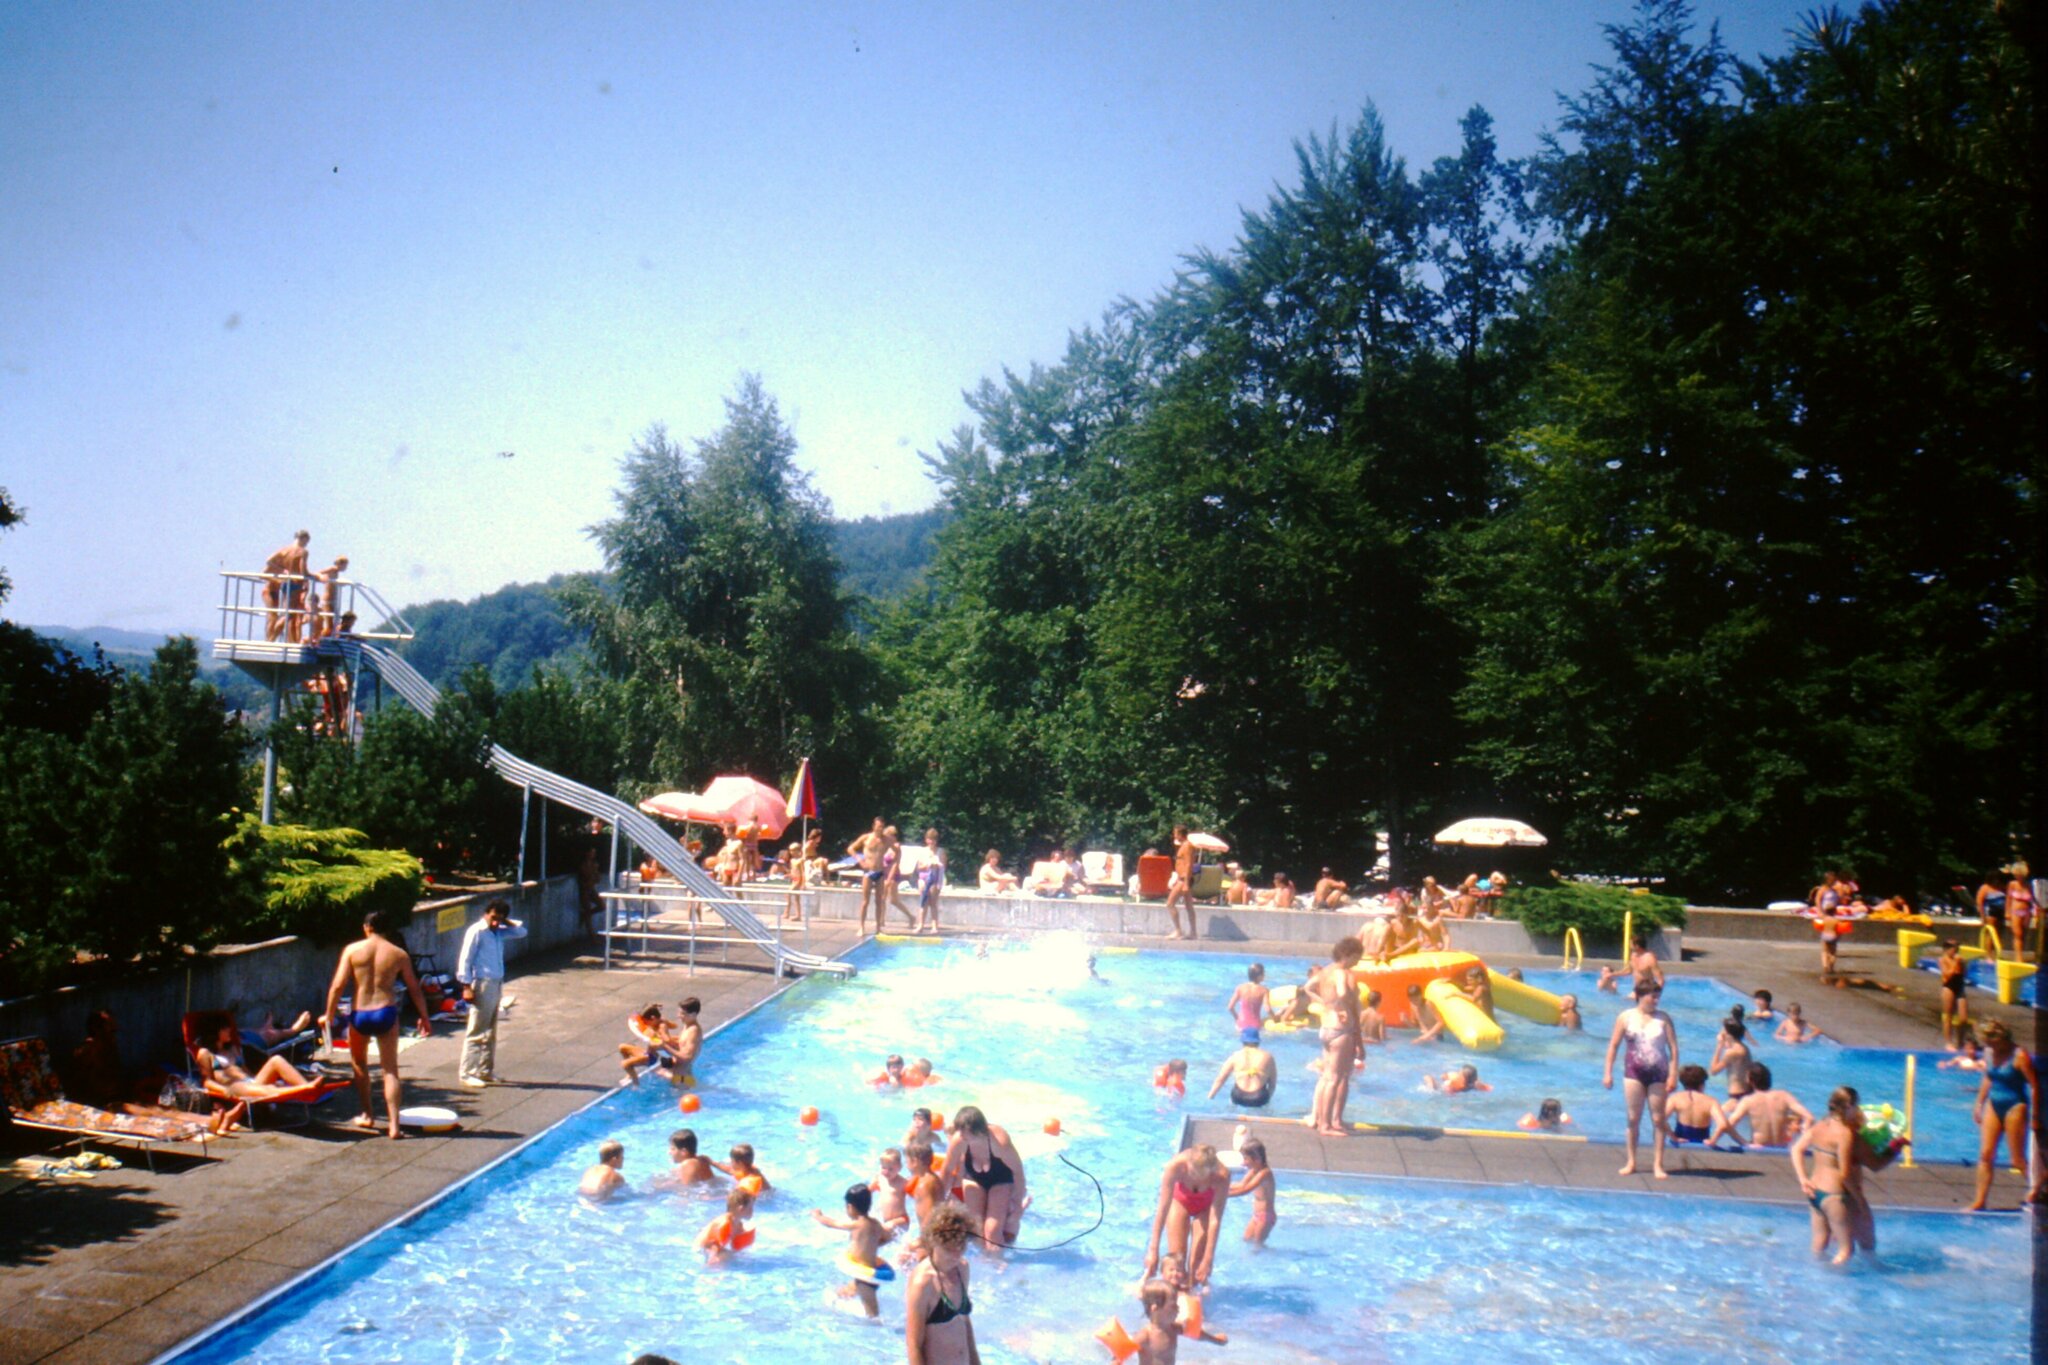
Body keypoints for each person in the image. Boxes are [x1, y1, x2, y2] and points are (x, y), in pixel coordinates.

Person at [320, 909, 433, 1139]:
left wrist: (329, 1015)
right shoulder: (398, 953)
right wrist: (425, 1016)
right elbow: (414, 988)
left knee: (360, 1065)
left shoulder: (352, 950)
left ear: (366, 927)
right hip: (385, 1011)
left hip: (360, 1013)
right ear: (387, 930)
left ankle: (368, 1115)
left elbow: (337, 985)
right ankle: (394, 1126)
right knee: (390, 1069)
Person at [1791, 1085, 1903, 1264]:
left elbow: (1796, 1149)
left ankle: (1814, 1280)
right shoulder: (1844, 1134)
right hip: (1834, 1196)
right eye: (1856, 1106)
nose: (1858, 1110)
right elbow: (1844, 1174)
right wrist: (1861, 1202)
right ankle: (1833, 1286)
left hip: (1814, 1192)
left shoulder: (1820, 1125)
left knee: (1819, 1245)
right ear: (1849, 1106)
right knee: (1846, 1251)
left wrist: (1803, 1179)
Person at [1602, 979, 1678, 1179]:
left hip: (1658, 1073)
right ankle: (1631, 1161)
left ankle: (1658, 1164)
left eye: (1658, 997)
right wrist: (1608, 1072)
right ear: (1640, 996)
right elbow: (1614, 1045)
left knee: (1658, 1119)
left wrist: (1673, 1074)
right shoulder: (1625, 1017)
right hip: (1633, 1073)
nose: (1656, 1001)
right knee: (1633, 1118)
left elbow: (1673, 1048)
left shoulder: (1663, 1019)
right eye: (1653, 997)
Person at [1965, 1020, 2039, 1211]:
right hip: (1994, 1103)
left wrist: (2036, 1115)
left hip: (2015, 1105)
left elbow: (2035, 1085)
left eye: (1991, 1042)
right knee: (1986, 1154)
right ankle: (1980, 1200)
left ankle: (2039, 1189)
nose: (1988, 1047)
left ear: (2001, 1039)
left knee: (2017, 1160)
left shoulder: (2019, 1055)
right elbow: (1988, 1077)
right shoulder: (1990, 1053)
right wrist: (1979, 1103)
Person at [455, 898, 526, 1090]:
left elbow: (521, 931)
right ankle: (467, 1072)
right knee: (477, 1030)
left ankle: (485, 1070)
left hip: (496, 983)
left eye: (500, 919)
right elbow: (465, 959)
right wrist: (466, 986)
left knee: (490, 1031)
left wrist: (504, 922)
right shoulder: (476, 931)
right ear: (486, 913)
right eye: (493, 917)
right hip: (482, 983)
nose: (495, 922)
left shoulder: (498, 932)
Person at [935, 1106, 1027, 1248]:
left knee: (992, 1230)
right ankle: (984, 1262)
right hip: (974, 1179)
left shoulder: (998, 1141)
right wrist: (938, 1201)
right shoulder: (959, 1140)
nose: (960, 1135)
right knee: (976, 1228)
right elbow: (947, 1171)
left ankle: (997, 1263)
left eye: (964, 1132)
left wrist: (1017, 1201)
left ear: (977, 1130)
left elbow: (1018, 1172)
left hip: (1001, 1179)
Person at [1143, 1145, 1231, 1289]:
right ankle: (1174, 1302)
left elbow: (1215, 1220)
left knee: (1196, 1268)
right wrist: (1153, 1250)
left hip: (1205, 1207)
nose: (1196, 1179)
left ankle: (1192, 1299)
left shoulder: (1221, 1176)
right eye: (1193, 1174)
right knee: (1177, 1264)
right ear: (1188, 1165)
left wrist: (1208, 1259)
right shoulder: (1175, 1166)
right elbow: (1162, 1209)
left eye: (1201, 1177)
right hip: (1180, 1202)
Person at [903, 1200, 979, 1365]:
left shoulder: (962, 1269)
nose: (956, 1255)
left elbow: (964, 1322)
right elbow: (913, 1345)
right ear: (934, 1242)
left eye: (961, 1247)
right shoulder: (922, 1284)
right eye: (949, 1249)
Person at [1306, 937, 1365, 1137]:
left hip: (1326, 1027)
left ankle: (1323, 1120)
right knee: (1336, 1077)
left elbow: (1307, 988)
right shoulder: (1340, 972)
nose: (1358, 962)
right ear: (1348, 955)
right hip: (1340, 1029)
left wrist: (1326, 1004)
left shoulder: (1325, 971)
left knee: (1327, 1077)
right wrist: (1344, 1007)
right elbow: (1342, 992)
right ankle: (1326, 1125)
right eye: (1357, 958)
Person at [815, 1182, 896, 1318]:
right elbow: (888, 1237)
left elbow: (832, 1224)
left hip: (865, 1279)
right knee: (842, 1294)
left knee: (873, 1316)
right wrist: (873, 1245)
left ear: (850, 1207)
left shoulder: (856, 1225)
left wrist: (818, 1216)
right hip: (865, 1273)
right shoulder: (875, 1224)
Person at [1708, 1064, 1811, 1147]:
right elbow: (1809, 1117)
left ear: (1750, 1081)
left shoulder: (1748, 1101)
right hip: (1782, 1147)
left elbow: (1727, 1125)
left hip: (1759, 1148)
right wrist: (1802, 1136)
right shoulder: (1784, 1095)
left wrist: (1744, 1143)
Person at [261, 529, 310, 642]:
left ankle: (271, 639)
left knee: (286, 614)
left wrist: (283, 570)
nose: (306, 544)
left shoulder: (285, 550)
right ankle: (270, 640)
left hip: (285, 583)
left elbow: (269, 561)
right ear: (303, 538)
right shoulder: (302, 552)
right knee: (287, 615)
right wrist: (313, 576)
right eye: (306, 541)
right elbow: (303, 571)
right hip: (295, 583)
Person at [1665, 1064, 1731, 1145]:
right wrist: (1712, 1141)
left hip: (1680, 1143)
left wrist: (1673, 1137)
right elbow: (1723, 1125)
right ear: (1702, 1084)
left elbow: (1660, 1120)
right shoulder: (1711, 1101)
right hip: (1702, 1144)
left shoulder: (1675, 1098)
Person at [619, 1004, 682, 1086]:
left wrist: (656, 1037)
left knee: (625, 1064)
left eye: (646, 1022)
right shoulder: (661, 1022)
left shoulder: (661, 1026)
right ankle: (629, 1076)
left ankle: (636, 1085)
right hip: (649, 1054)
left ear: (653, 1018)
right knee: (622, 1047)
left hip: (654, 1059)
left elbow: (667, 1040)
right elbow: (674, 1026)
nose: (646, 1024)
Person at [1228, 1138, 1275, 1245]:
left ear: (1256, 1159)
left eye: (1245, 1159)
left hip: (1266, 1217)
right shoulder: (1254, 1171)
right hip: (1256, 1215)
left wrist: (1223, 1195)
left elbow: (1245, 1190)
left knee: (1257, 1247)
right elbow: (1241, 1185)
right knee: (1246, 1240)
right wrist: (1220, 1187)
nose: (1243, 1163)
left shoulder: (1264, 1173)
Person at [1206, 1039, 1277, 1109]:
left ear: (1243, 1042)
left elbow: (1221, 1079)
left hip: (1239, 1096)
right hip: (1258, 1098)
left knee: (1231, 1106)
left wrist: (1210, 1096)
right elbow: (1272, 1084)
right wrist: (1267, 1099)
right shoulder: (1268, 1056)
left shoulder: (1236, 1055)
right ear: (1258, 1042)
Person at [698, 1186, 756, 1262]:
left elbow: (735, 1246)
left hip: (713, 1247)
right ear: (741, 1209)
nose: (752, 1211)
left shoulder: (738, 1224)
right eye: (750, 1208)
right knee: (726, 1256)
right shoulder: (724, 1224)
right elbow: (713, 1246)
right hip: (701, 1249)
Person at [650, 1128, 720, 1190]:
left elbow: (686, 1190)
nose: (669, 1152)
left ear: (684, 1152)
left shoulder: (687, 1164)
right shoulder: (700, 1160)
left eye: (672, 1149)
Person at [850, 818, 888, 933]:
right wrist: (860, 861)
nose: (880, 829)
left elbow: (897, 850)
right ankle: (861, 926)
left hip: (880, 872)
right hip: (868, 871)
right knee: (865, 901)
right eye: (878, 826)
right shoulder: (866, 838)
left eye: (882, 826)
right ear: (874, 826)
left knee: (879, 901)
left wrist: (893, 864)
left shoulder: (886, 839)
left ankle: (878, 927)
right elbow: (851, 848)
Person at [881, 826, 918, 929]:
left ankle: (911, 917)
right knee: (881, 898)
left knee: (894, 900)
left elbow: (895, 864)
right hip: (884, 875)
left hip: (893, 875)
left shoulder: (896, 847)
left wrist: (889, 879)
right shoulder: (885, 847)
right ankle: (881, 921)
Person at [1708, 1017, 1751, 1104]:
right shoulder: (1743, 1048)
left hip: (1736, 1095)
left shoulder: (1732, 1053)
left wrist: (1719, 1046)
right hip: (1746, 1091)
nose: (1721, 1031)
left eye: (1723, 1030)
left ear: (1729, 1035)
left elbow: (1713, 1071)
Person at [1166, 825, 1197, 942]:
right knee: (1189, 906)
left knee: (1170, 903)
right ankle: (1193, 932)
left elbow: (1189, 864)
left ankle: (1178, 930)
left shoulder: (1187, 846)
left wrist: (1186, 883)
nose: (1174, 835)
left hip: (1184, 879)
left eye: (1175, 833)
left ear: (1180, 834)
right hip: (1183, 878)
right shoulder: (1184, 845)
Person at [915, 828, 949, 934]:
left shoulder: (940, 851)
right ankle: (920, 925)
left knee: (933, 902)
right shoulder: (922, 851)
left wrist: (936, 864)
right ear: (926, 840)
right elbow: (919, 867)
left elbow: (943, 865)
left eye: (933, 839)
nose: (931, 842)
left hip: (935, 877)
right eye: (929, 839)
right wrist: (928, 864)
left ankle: (934, 926)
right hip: (923, 877)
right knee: (923, 901)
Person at [1938, 939, 1970, 1047]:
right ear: (1947, 949)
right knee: (1948, 1016)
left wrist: (1963, 965)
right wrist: (1955, 964)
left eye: (1957, 949)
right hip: (1949, 987)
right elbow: (1946, 976)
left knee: (1963, 1018)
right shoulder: (1943, 960)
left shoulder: (1959, 960)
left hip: (1959, 987)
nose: (1956, 952)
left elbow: (1964, 974)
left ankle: (1960, 1042)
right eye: (1954, 949)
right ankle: (1948, 1042)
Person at [1226, 965, 1269, 1044]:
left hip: (1241, 1025)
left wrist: (1237, 1019)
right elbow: (1268, 1009)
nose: (1265, 976)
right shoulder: (1264, 990)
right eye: (1263, 974)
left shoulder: (1240, 988)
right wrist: (1276, 1019)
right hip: (1256, 1026)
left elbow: (1230, 1007)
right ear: (1259, 976)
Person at [875, 1147, 912, 1230]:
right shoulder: (879, 1179)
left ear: (899, 1168)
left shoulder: (903, 1183)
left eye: (891, 1169)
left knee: (887, 1227)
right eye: (883, 1168)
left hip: (901, 1220)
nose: (886, 1172)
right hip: (885, 1221)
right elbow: (868, 1192)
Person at [2005, 862, 2034, 959]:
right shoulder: (2012, 884)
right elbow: (2008, 898)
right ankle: (2018, 957)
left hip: (2026, 912)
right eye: (2016, 874)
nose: (2018, 876)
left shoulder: (2029, 885)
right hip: (2015, 911)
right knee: (2017, 934)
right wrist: (2007, 912)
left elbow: (2032, 899)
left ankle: (2020, 954)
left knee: (2023, 935)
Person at [577, 844, 604, 938]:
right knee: (587, 910)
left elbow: (597, 879)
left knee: (602, 906)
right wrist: (593, 872)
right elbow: (586, 876)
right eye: (592, 852)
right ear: (587, 853)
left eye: (594, 853)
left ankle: (584, 915)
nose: (593, 854)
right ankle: (592, 936)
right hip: (584, 889)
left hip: (591, 889)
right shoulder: (583, 864)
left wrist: (595, 872)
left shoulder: (593, 864)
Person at [1424, 1063, 1490, 1094]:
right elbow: (1488, 1088)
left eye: (1459, 1072)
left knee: (1428, 1077)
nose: (1458, 1073)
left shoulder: (1454, 1081)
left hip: (1446, 1089)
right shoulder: (1474, 1084)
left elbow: (1443, 1077)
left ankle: (1430, 1087)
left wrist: (1446, 1079)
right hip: (1462, 1089)